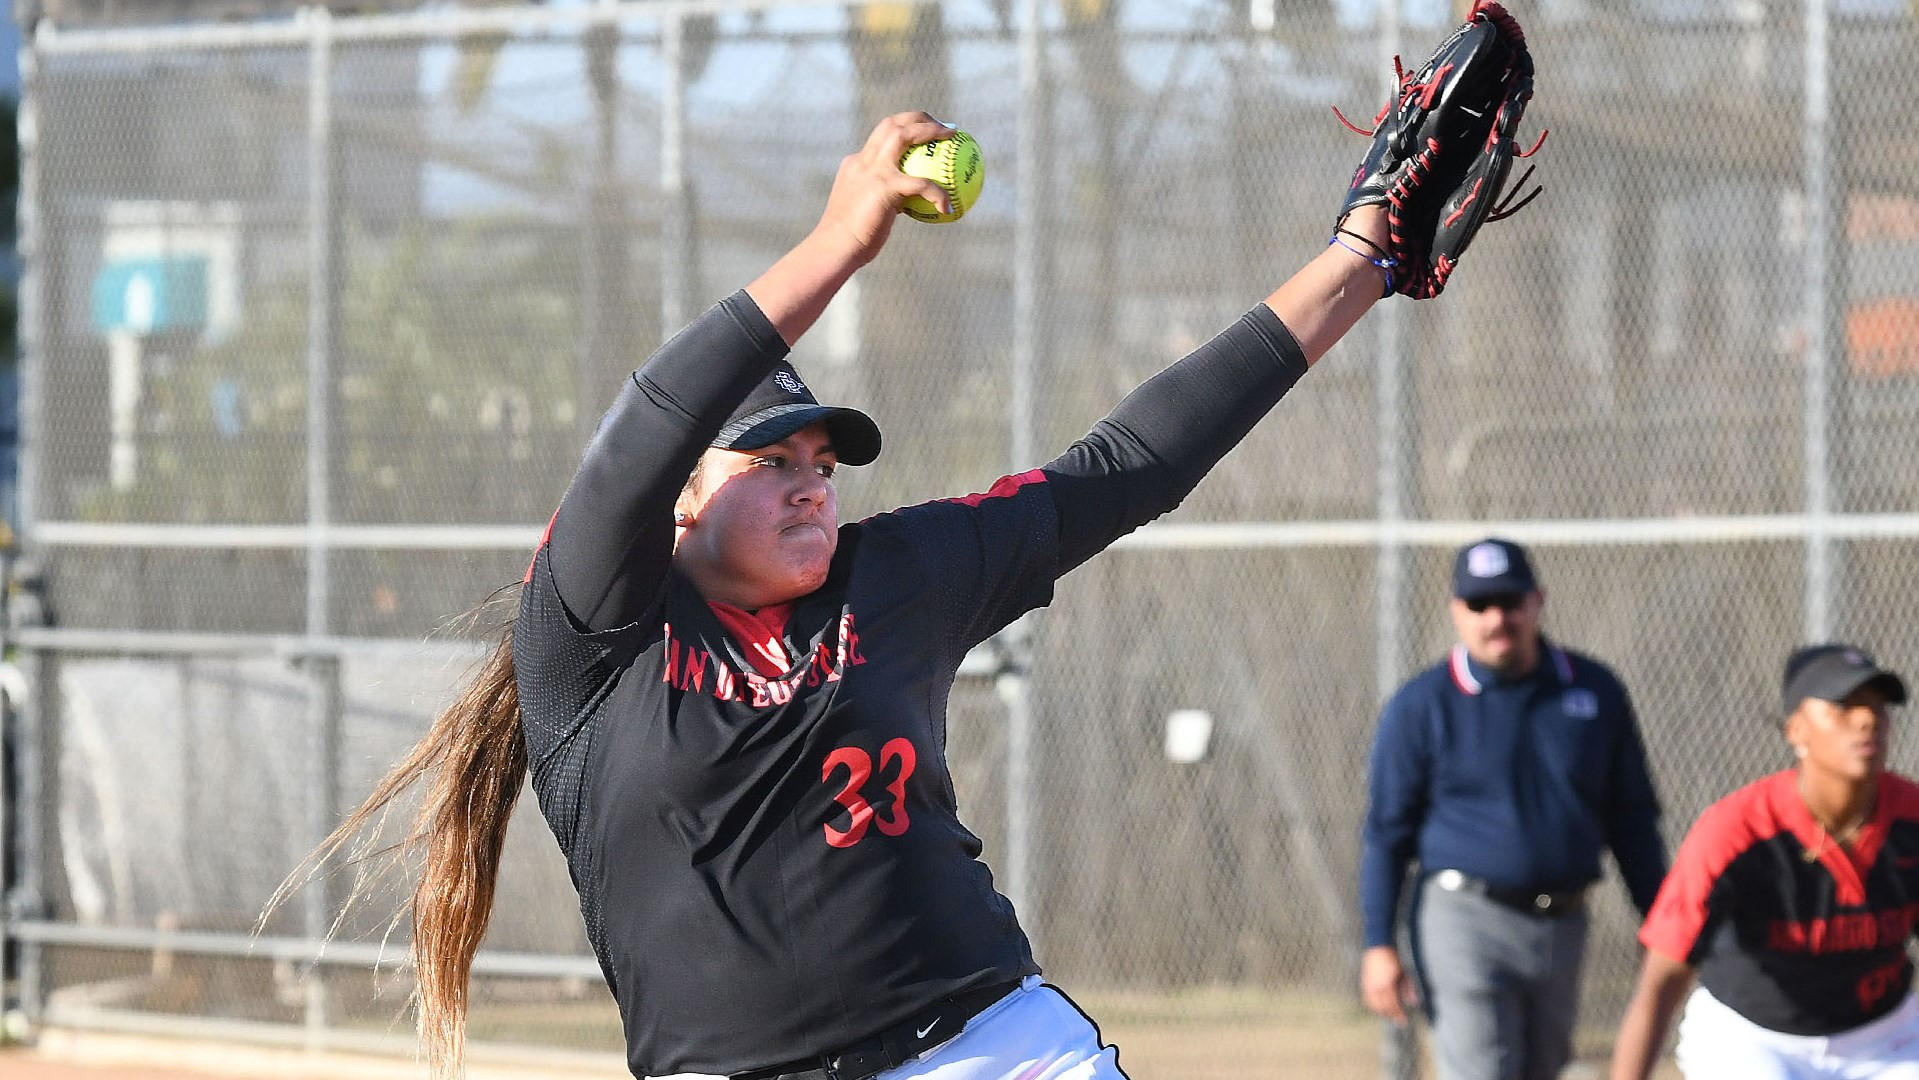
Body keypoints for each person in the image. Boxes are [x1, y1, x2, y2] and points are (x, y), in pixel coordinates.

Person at [274, 101, 1437, 1079]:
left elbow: (1128, 466)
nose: (809, 488)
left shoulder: (897, 578)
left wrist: (1360, 260)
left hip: (986, 1045)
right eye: (770, 461)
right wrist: (840, 239)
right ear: (680, 497)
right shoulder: (594, 636)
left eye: (822, 466)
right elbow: (648, 427)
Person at [1359, 537, 1668, 1080]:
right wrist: (1378, 943)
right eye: (1479, 605)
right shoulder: (1423, 705)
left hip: (1563, 922)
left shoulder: (1593, 692)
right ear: (1457, 611)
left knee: (1544, 1070)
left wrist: (1659, 925)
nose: (1497, 618)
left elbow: (1633, 821)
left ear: (1538, 600)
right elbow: (1387, 833)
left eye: (1510, 601)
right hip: (1463, 920)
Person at [1609, 644, 1919, 1080]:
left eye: (1877, 706)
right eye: (1844, 706)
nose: (1867, 719)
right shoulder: (1737, 830)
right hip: (1754, 1038)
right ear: (1796, 730)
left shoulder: (1911, 818)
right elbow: (1661, 981)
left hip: (1884, 1038)